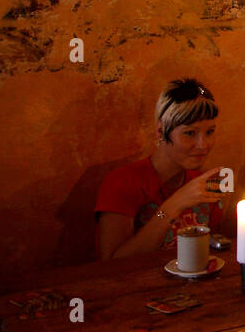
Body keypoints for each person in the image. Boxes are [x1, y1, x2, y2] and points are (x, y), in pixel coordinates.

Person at [96, 77, 225, 260]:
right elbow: (112, 263)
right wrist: (174, 205)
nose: (203, 145)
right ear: (160, 131)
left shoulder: (205, 181)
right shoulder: (123, 182)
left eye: (210, 132)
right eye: (189, 133)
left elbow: (213, 249)